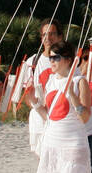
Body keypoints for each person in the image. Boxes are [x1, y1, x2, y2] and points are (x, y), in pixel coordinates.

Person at [25, 41, 92, 173]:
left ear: (68, 60)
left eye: (56, 57)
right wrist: (34, 102)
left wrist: (72, 96)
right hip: (52, 144)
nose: (52, 61)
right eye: (50, 57)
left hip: (73, 145)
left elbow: (85, 117)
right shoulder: (51, 81)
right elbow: (50, 115)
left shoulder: (80, 82)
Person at [23, 21, 63, 156]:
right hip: (40, 121)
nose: (48, 38)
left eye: (52, 34)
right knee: (43, 162)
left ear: (59, 37)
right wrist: (37, 105)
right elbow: (27, 96)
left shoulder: (66, 60)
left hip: (61, 118)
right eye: (45, 34)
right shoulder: (32, 62)